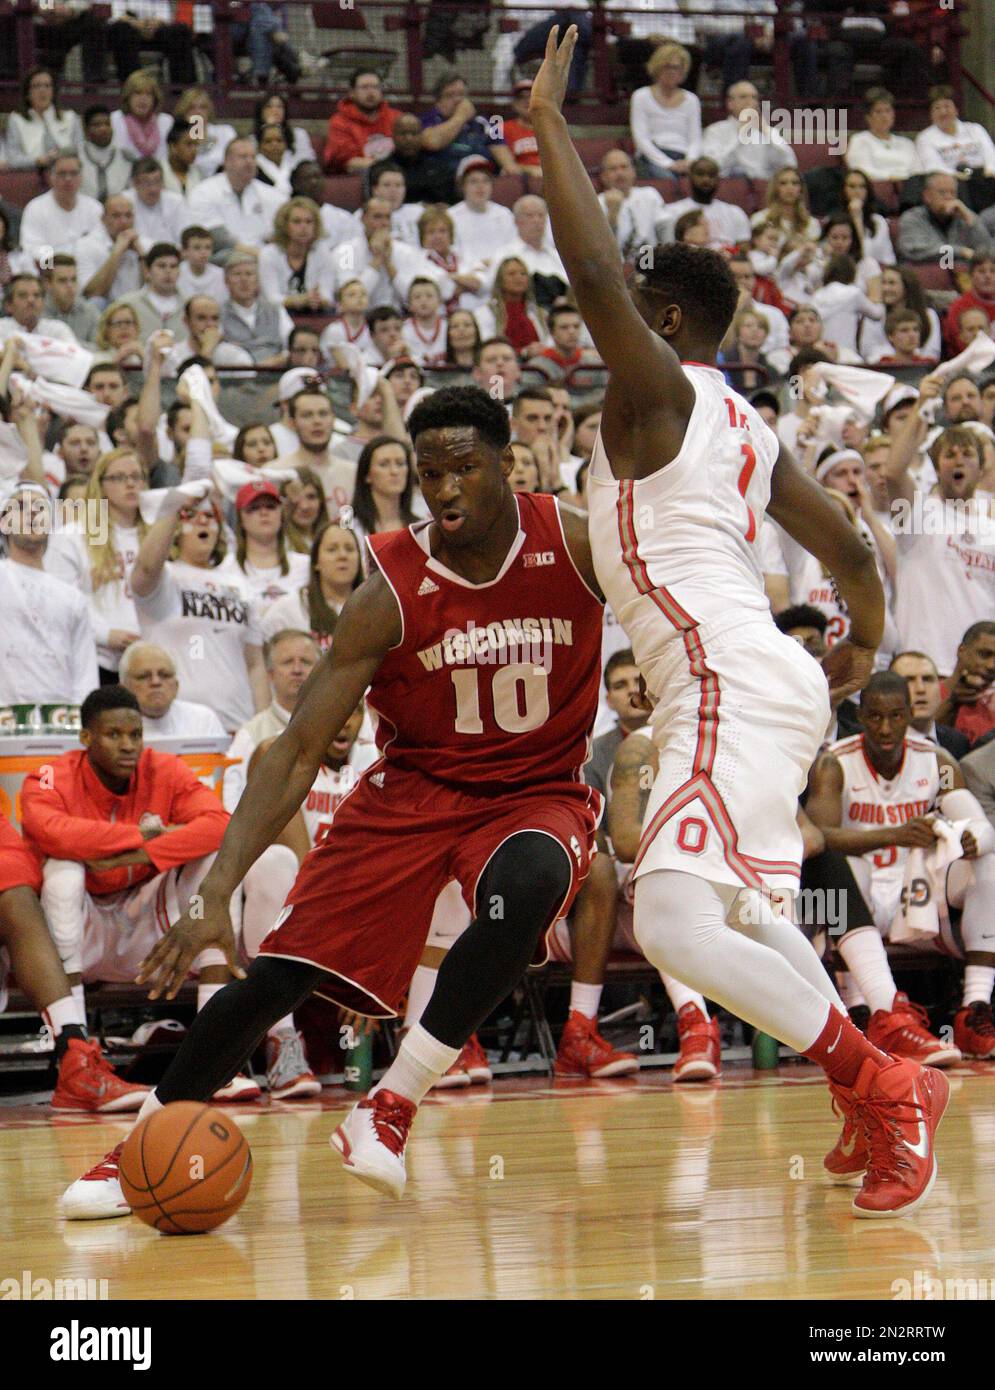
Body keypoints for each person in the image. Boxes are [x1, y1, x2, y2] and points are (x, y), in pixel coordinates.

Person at [532, 26, 944, 1220]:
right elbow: (851, 552)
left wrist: (549, 128)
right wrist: (859, 641)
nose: (596, 338)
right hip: (762, 676)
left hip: (719, 675)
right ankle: (866, 1083)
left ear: (661, 316)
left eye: (624, 317)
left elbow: (591, 275)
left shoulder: (652, 392)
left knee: (665, 916)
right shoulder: (749, 426)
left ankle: (879, 1079)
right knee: (734, 912)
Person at [60, 381, 610, 1217]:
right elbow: (295, 749)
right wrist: (215, 892)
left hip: (535, 792)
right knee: (280, 975)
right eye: (430, 474)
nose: (448, 488)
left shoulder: (576, 542)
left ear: (508, 464)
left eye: (465, 467)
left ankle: (389, 1106)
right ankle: (137, 1149)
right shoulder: (388, 582)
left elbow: (678, 613)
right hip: (414, 792)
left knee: (528, 885)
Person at [21, 684, 259, 1111]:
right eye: (114, 735)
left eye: (135, 735)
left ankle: (214, 1060)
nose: (128, 745)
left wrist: (140, 852)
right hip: (83, 931)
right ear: (86, 738)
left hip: (149, 926)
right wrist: (142, 833)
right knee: (62, 873)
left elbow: (219, 824)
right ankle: (78, 1064)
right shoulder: (51, 774)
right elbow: (49, 830)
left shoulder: (164, 769)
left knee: (215, 867)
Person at [806, 672, 995, 1065]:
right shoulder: (835, 763)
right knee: (846, 869)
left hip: (916, 894)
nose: (886, 728)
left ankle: (974, 1008)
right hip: (861, 893)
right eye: (875, 717)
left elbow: (980, 825)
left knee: (988, 862)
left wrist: (971, 839)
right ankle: (861, 1008)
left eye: (895, 716)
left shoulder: (937, 760)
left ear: (910, 715)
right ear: (861, 717)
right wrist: (895, 834)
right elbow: (820, 838)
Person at [0, 811, 147, 1113]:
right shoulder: (52, 783)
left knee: (16, 891)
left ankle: (75, 1057)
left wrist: (145, 842)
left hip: (126, 921)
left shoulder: (163, 775)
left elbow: (16, 860)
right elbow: (52, 833)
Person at [129, 480, 268, 735]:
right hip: (177, 726)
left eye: (209, 516)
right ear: (176, 529)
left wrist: (262, 726)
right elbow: (146, 567)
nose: (202, 522)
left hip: (239, 724)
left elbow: (255, 664)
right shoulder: (164, 578)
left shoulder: (241, 586)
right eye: (191, 516)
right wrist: (174, 507)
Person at [44, 449, 145, 683]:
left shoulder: (158, 537)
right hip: (96, 661)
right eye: (119, 477)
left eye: (136, 477)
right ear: (100, 485)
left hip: (150, 659)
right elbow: (58, 603)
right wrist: (105, 634)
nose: (130, 484)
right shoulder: (72, 536)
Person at [0, 483, 98, 706]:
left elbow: (85, 675)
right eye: (22, 506)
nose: (32, 512)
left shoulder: (73, 598)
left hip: (60, 723)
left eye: (40, 507)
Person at [259, 520, 363, 649]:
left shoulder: (374, 608)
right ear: (316, 562)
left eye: (349, 549)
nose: (342, 556)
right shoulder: (290, 609)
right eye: (332, 549)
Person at [217, 479, 310, 613]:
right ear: (240, 519)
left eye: (271, 506)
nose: (264, 512)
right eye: (254, 508)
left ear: (281, 514)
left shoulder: (305, 566)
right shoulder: (225, 571)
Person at [188, 138, 284, 252]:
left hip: (263, 257)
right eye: (243, 157)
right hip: (222, 256)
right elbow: (217, 238)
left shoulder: (272, 195)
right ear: (226, 161)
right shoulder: (204, 192)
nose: (249, 162)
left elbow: (279, 233)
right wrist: (260, 257)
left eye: (253, 157)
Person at [119, 641, 227, 738]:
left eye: (165, 675)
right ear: (123, 689)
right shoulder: (114, 728)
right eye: (143, 676)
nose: (156, 682)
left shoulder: (203, 719)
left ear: (176, 686)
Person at [629, 41, 701, 180]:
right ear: (657, 67)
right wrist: (669, 164)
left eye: (677, 67)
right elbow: (641, 139)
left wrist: (690, 162)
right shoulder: (641, 96)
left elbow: (695, 139)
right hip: (652, 157)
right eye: (668, 67)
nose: (672, 72)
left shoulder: (692, 100)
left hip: (683, 156)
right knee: (667, 179)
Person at [701, 80, 797, 182]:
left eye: (754, 97)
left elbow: (790, 165)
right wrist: (740, 136)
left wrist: (767, 132)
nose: (750, 102)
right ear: (730, 103)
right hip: (727, 186)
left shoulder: (768, 132)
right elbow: (711, 168)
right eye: (743, 97)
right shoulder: (715, 131)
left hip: (762, 186)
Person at [19, 151, 102, 264]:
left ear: (81, 177)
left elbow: (101, 245)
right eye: (62, 173)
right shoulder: (35, 208)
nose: (68, 179)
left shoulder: (94, 207)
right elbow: (31, 248)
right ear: (50, 177)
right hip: (51, 269)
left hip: (87, 267)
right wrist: (63, 260)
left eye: (73, 173)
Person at [656, 157, 751, 251]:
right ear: (690, 177)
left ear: (719, 179)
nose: (706, 179)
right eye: (700, 174)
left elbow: (743, 251)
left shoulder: (735, 213)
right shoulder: (671, 211)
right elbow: (670, 249)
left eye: (711, 175)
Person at [897, 172, 991, 266]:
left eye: (953, 193)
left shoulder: (964, 216)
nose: (949, 197)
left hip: (963, 276)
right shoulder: (912, 218)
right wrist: (961, 252)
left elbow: (987, 250)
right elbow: (915, 251)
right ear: (927, 196)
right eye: (942, 193)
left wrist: (971, 222)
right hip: (928, 273)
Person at [259, 198, 335, 313]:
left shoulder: (322, 252)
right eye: (297, 222)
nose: (303, 227)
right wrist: (300, 300)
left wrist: (318, 300)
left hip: (314, 312)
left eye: (309, 222)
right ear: (284, 225)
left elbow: (327, 295)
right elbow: (271, 299)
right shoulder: (269, 254)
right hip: (278, 315)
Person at [889, 651, 970, 758]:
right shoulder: (879, 744)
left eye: (928, 679)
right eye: (909, 680)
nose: (920, 689)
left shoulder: (958, 743)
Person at [322, 69, 402, 175]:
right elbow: (346, 162)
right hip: (357, 180)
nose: (371, 92)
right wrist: (384, 169)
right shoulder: (339, 122)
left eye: (375, 87)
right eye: (364, 87)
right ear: (352, 93)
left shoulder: (396, 117)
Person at [220, 253, 292, 369]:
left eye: (249, 274)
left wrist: (269, 363)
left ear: (258, 280)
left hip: (275, 372)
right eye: (237, 274)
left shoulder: (276, 309)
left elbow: (292, 346)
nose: (244, 280)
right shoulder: (218, 313)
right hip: (237, 376)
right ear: (226, 281)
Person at [3, 68, 82, 173]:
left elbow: (81, 152)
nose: (42, 90)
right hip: (32, 175)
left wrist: (61, 155)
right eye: (37, 86)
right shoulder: (17, 120)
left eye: (47, 86)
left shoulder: (70, 117)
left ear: (53, 91)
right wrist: (37, 161)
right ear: (27, 93)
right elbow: (13, 159)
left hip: (67, 175)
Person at [74, 194, 146, 307]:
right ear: (103, 219)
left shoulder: (146, 244)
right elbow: (91, 293)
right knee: (96, 302)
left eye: (128, 215)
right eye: (116, 216)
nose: (123, 221)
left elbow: (156, 288)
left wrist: (142, 255)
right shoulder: (86, 245)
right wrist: (117, 252)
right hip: (105, 308)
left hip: (138, 307)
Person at [349, 436, 418, 553]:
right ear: (367, 475)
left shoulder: (421, 527)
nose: (394, 471)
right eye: (384, 464)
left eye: (400, 463)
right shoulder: (350, 528)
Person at [597, 149, 666, 260]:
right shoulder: (596, 203)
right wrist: (612, 215)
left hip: (649, 262)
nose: (619, 173)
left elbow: (665, 229)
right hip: (616, 266)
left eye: (624, 167)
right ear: (604, 176)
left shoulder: (649, 194)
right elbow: (601, 248)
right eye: (613, 169)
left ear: (633, 171)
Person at [844, 88, 923, 185]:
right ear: (868, 117)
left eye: (888, 111)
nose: (884, 116)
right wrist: (890, 177)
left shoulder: (907, 143)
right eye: (878, 112)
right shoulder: (860, 140)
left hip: (909, 188)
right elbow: (861, 171)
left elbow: (918, 171)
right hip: (877, 189)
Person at [935, 622, 995, 748]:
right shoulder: (925, 695)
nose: (991, 666)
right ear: (961, 651)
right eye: (984, 654)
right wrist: (951, 704)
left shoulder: (992, 710)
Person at [107, 2, 196, 86]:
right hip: (128, 32)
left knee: (180, 30)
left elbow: (165, 17)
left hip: (155, 33)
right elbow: (116, 16)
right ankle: (133, 86)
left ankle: (182, 87)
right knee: (122, 29)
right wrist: (136, 23)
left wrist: (155, 24)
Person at [110, 71, 172, 165]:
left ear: (155, 99)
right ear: (128, 96)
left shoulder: (166, 122)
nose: (143, 99)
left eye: (148, 94)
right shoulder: (115, 120)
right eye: (137, 93)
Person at [78, 106, 132, 204]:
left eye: (107, 124)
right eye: (97, 125)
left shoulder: (126, 157)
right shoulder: (75, 156)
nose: (103, 129)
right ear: (86, 130)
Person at [41, 255, 99, 345]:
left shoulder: (89, 311)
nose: (70, 286)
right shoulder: (37, 313)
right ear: (48, 284)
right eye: (62, 281)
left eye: (73, 280)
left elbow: (100, 347)